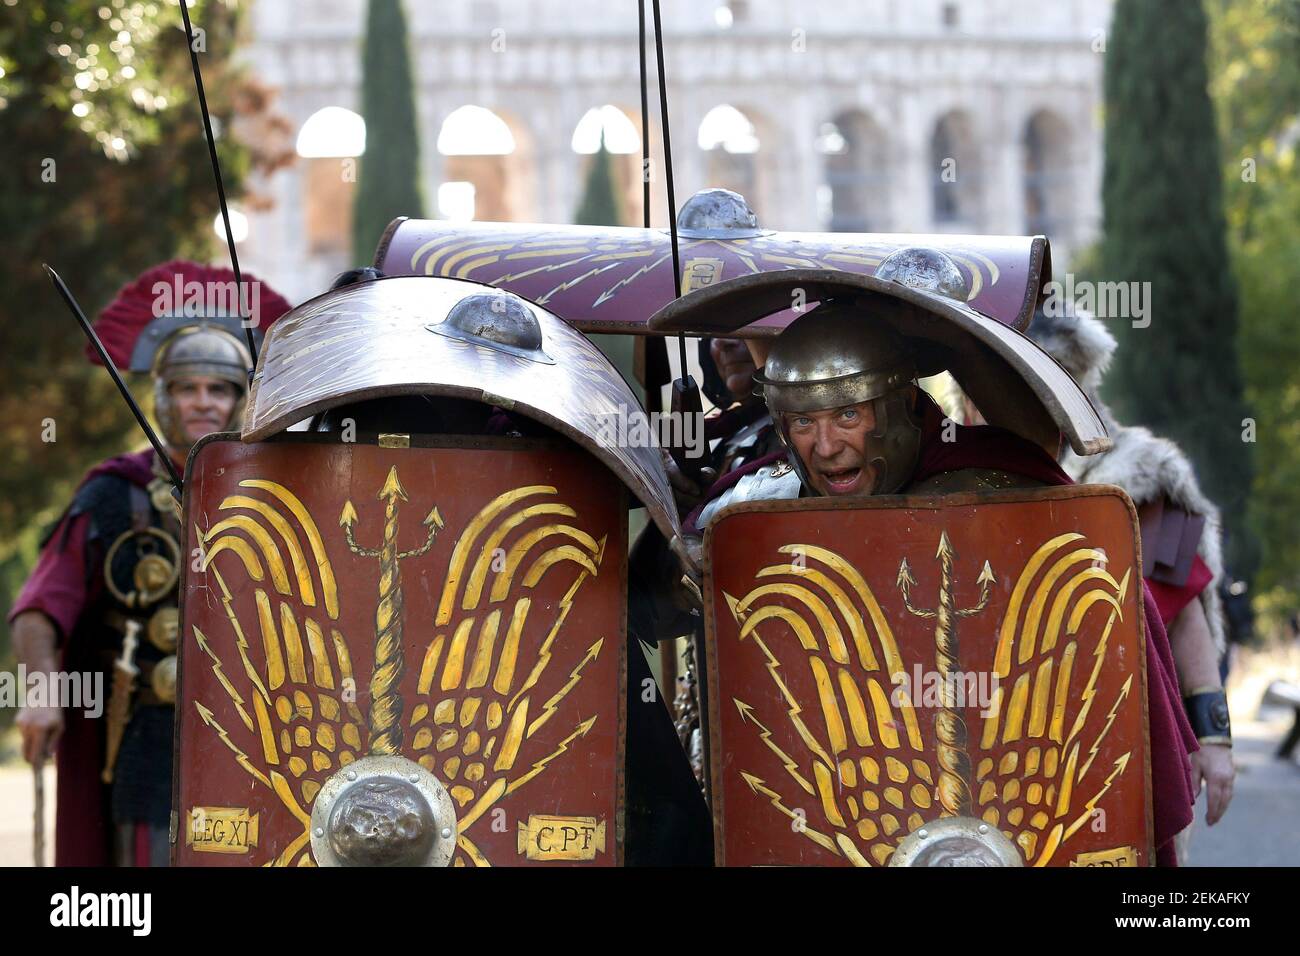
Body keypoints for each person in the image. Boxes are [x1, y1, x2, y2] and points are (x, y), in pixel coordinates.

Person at [678, 267, 1198, 866]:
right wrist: (696, 563)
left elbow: (1096, 640)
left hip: (1005, 790)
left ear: (901, 406)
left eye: (847, 416)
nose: (824, 447)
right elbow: (664, 597)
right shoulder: (758, 506)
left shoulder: (1001, 485)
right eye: (803, 422)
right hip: (836, 802)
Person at [10, 260, 291, 865]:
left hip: (259, 749)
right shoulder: (115, 492)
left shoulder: (280, 493)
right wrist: (40, 690)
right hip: (145, 744)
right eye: (187, 389)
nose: (203, 404)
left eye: (218, 390)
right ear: (161, 398)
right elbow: (40, 607)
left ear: (242, 399)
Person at [1026, 303, 1235, 841]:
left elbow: (1184, 614)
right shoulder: (964, 479)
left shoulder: (1141, 470)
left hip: (1127, 736)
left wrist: (1213, 743)